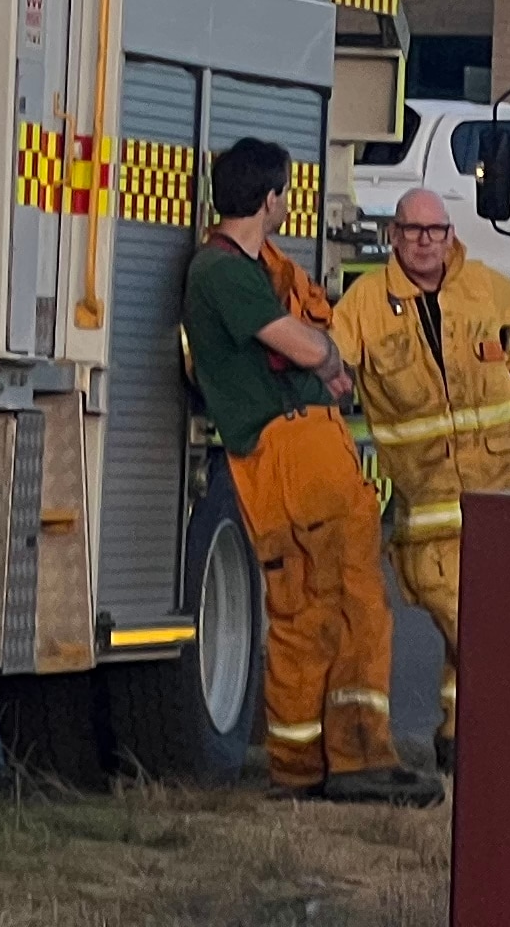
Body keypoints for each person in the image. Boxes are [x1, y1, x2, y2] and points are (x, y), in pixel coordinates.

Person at [180, 136, 431, 806]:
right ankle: (358, 758)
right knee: (354, 602)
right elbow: (298, 342)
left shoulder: (243, 266)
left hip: (278, 454)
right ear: (269, 200)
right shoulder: (225, 273)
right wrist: (326, 354)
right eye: (285, 194)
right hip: (295, 452)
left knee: (304, 612)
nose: (288, 204)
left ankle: (300, 766)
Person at [330, 185, 510, 776]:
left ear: (451, 235)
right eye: (413, 230)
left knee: (478, 631)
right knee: (480, 629)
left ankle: (459, 742)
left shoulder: (485, 287)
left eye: (436, 231)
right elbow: (332, 358)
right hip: (428, 515)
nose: (425, 242)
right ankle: (503, 742)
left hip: (502, 500)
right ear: (393, 236)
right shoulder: (365, 303)